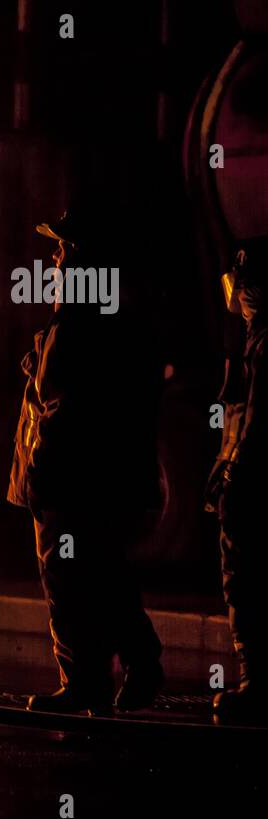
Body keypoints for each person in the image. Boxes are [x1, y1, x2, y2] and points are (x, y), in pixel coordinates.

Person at [7, 206, 165, 716]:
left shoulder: (81, 318)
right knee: (102, 575)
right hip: (94, 479)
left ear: (79, 257)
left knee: (72, 579)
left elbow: (68, 407)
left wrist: (41, 475)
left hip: (71, 482)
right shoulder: (104, 312)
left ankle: (89, 682)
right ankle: (130, 670)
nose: (53, 257)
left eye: (61, 248)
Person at [207, 238, 268, 722]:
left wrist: (235, 474)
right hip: (249, 473)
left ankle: (257, 685)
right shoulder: (255, 341)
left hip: (255, 483)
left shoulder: (266, 341)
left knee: (246, 577)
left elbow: (259, 423)